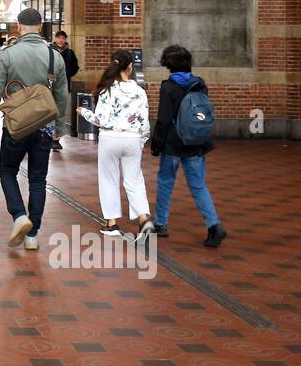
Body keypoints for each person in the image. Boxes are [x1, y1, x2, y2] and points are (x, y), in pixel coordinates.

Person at [0, 8, 70, 250]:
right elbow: (62, 95)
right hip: (45, 125)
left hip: (16, 125)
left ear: (18, 27)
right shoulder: (55, 56)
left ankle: (19, 215)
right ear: (41, 26)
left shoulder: (8, 54)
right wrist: (61, 126)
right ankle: (32, 237)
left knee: (7, 171)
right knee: (38, 179)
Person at [150, 45, 227, 247]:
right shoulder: (199, 84)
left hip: (173, 144)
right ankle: (214, 224)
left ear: (168, 64)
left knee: (166, 181)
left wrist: (156, 144)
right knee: (198, 185)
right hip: (196, 142)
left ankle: (161, 223)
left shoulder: (168, 87)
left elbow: (164, 120)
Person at [79, 50, 153, 239]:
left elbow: (99, 119)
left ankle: (111, 224)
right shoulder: (139, 91)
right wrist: (141, 142)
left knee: (109, 179)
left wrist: (84, 112)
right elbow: (145, 122)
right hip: (132, 139)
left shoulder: (107, 90)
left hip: (110, 138)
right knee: (134, 180)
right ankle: (144, 219)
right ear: (130, 67)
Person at [51, 30, 81, 152]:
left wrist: (67, 75)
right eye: (59, 38)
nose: (61, 40)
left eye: (63, 38)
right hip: (50, 86)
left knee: (60, 112)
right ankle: (47, 136)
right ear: (55, 38)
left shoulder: (69, 53)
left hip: (64, 86)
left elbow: (75, 67)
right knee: (49, 111)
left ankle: (56, 139)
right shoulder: (50, 51)